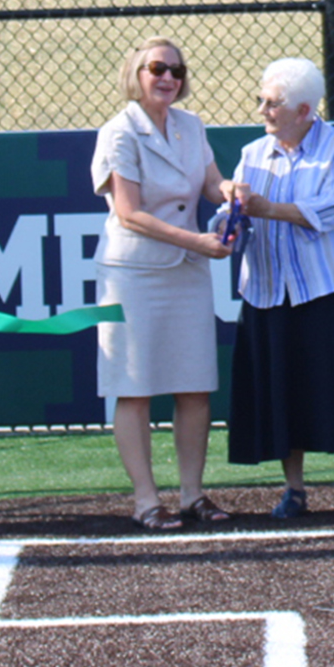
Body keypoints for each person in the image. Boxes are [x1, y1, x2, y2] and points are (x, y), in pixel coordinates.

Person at [220, 58, 334, 522]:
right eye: (261, 99)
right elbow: (234, 215)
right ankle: (293, 489)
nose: (263, 109)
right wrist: (229, 224)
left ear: (303, 111)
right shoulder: (251, 154)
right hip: (268, 290)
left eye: (273, 103)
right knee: (283, 387)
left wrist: (267, 207)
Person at [91, 36, 233, 531]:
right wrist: (196, 242)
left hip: (187, 271)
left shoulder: (192, 126)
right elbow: (129, 214)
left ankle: (192, 494)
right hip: (135, 274)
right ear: (137, 73)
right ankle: (146, 500)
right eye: (157, 68)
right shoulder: (119, 133)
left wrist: (232, 190)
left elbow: (212, 184)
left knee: (195, 386)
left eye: (176, 69)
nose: (168, 77)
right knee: (135, 389)